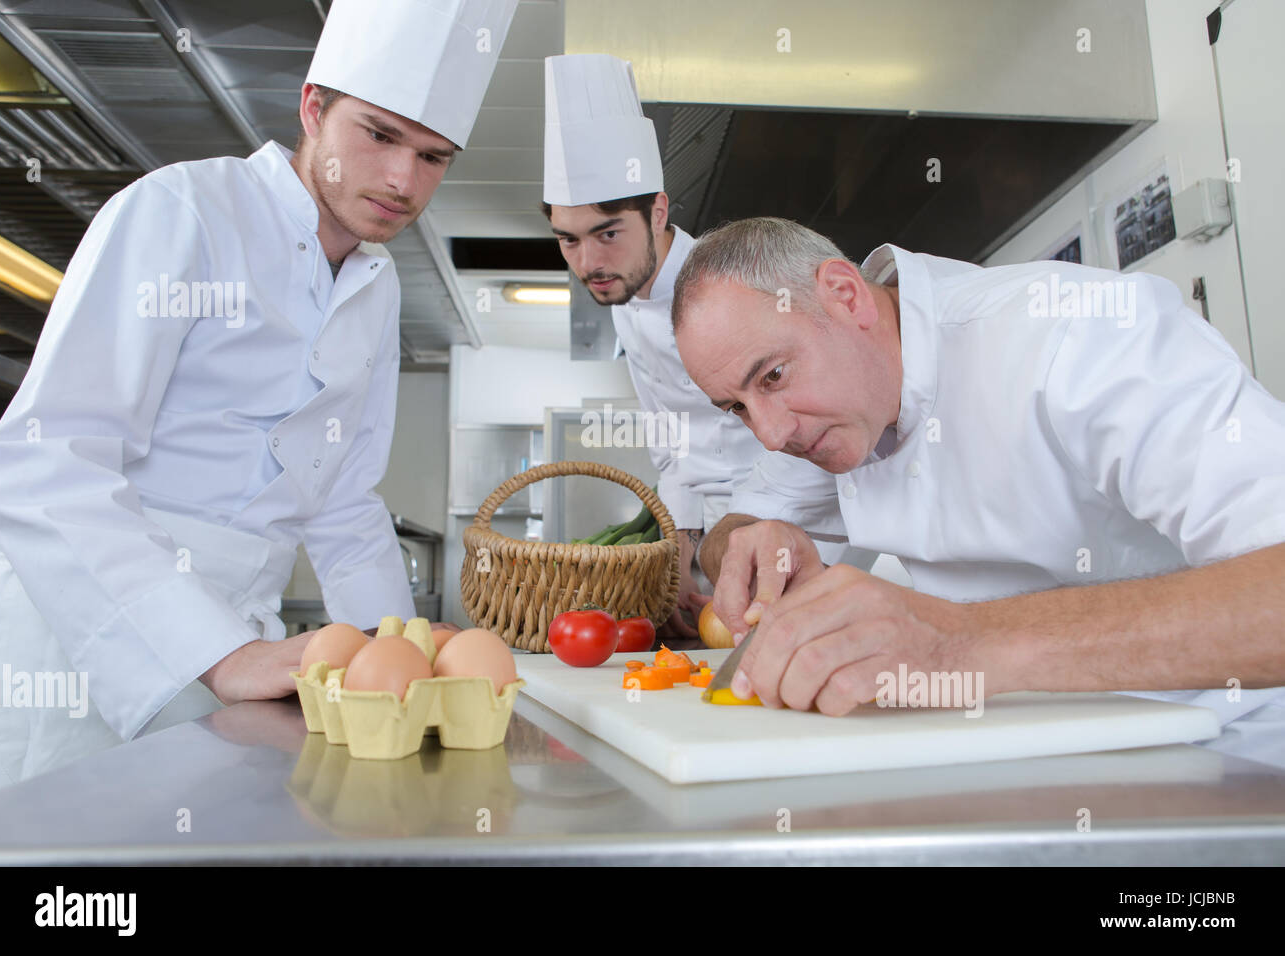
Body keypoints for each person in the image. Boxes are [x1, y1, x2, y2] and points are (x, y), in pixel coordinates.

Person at [0, 0, 519, 792]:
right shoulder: (182, 212)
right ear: (314, 108)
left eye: (433, 156)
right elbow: (45, 463)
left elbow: (341, 500)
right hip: (85, 640)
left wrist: (399, 651)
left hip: (246, 645)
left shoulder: (375, 288)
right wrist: (221, 654)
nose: (403, 180)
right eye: (379, 135)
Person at [673, 216, 1285, 767]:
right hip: (1011, 755)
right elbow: (734, 530)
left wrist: (958, 642)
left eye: (773, 376)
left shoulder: (1083, 333)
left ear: (845, 295)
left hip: (1221, 756)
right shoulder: (826, 413)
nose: (771, 433)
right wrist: (755, 547)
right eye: (737, 408)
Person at [540, 54, 804, 639]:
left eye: (608, 233)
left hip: (792, 525)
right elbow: (671, 445)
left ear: (657, 210)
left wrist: (752, 531)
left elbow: (803, 432)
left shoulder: (740, 284)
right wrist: (678, 561)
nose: (589, 263)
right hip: (712, 542)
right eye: (568, 241)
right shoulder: (625, 301)